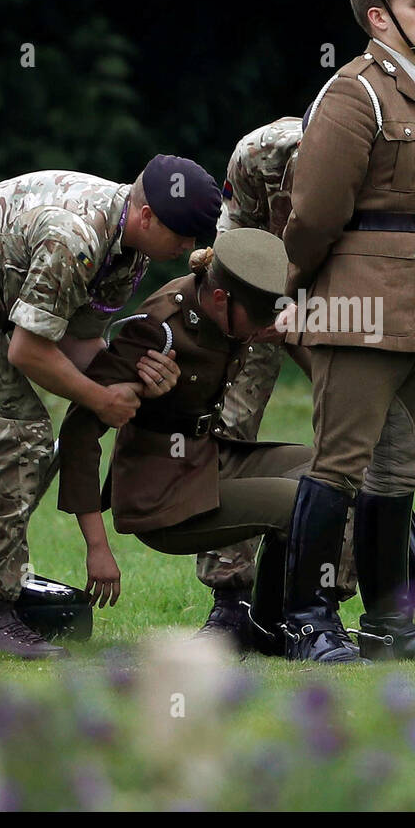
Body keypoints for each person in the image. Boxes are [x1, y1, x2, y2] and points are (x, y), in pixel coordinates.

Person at [194, 117, 415, 653]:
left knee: (361, 445)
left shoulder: (380, 160)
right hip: (255, 304)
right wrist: (264, 316)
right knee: (230, 432)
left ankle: (390, 602)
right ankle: (231, 602)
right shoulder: (258, 155)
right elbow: (230, 251)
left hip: (340, 307)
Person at [0, 158, 220, 658]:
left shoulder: (130, 251)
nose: (189, 249)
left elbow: (78, 342)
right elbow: (28, 351)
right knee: (19, 440)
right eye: (183, 235)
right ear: (148, 216)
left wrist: (135, 380)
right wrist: (100, 398)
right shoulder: (77, 237)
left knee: (3, 444)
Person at [278, 0, 415, 664]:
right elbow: (318, 209)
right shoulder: (352, 93)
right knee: (339, 463)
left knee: (402, 466)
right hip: (357, 301)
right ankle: (307, 619)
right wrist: (292, 289)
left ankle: (390, 623)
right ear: (377, 13)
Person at [56, 229, 327, 655]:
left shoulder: (230, 302)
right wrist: (97, 548)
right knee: (302, 502)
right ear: (221, 300)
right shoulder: (158, 329)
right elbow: (77, 431)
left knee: (326, 472)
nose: (260, 333)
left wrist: (289, 333)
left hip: (204, 459)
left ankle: (268, 624)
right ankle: (304, 629)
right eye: (256, 322)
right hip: (161, 497)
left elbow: (305, 361)